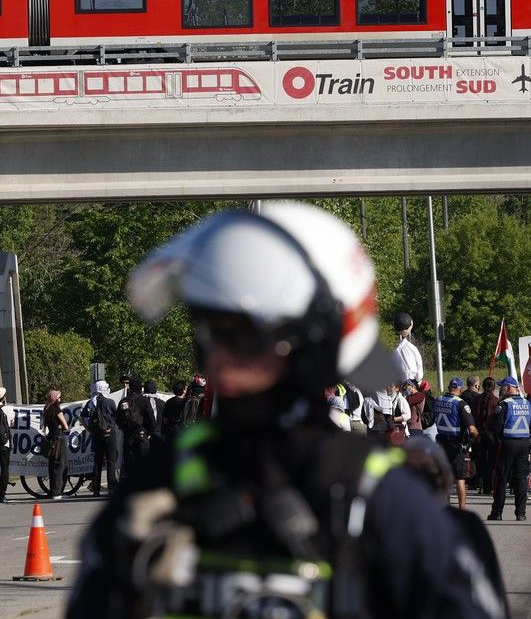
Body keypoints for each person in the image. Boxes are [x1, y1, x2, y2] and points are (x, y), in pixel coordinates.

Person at [68, 204, 507, 619]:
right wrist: (126, 580)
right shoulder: (167, 477)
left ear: (314, 343)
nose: (220, 360)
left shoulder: (377, 497)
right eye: (209, 335)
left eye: (243, 338)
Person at [488, 375, 531, 521]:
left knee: (501, 478)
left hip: (508, 443)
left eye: (502, 386)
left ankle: (497, 512)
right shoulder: (527, 403)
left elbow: (496, 427)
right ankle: (521, 513)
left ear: (508, 388)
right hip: (524, 444)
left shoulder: (504, 405)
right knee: (521, 479)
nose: (500, 389)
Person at [433, 376, 478, 509]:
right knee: (460, 478)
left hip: (441, 441)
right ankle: (462, 510)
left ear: (448, 388)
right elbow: (472, 429)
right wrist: (475, 436)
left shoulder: (438, 400)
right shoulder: (461, 403)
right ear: (460, 389)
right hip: (457, 444)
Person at [82, 380, 119, 496]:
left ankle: (96, 489)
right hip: (109, 434)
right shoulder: (110, 402)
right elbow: (117, 416)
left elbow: (82, 418)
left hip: (96, 435)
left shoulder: (91, 402)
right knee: (111, 462)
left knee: (97, 462)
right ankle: (111, 489)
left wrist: (90, 429)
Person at [116, 376, 155, 477]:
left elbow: (117, 419)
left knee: (129, 465)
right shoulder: (144, 400)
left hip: (128, 436)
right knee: (143, 465)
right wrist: (149, 431)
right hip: (141, 434)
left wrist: (124, 429)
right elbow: (151, 418)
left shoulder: (124, 401)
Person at [473, 376, 500, 495]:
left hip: (479, 434)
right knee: (491, 461)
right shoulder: (496, 401)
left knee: (480, 460)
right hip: (491, 436)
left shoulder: (477, 399)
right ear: (494, 387)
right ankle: (489, 486)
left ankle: (480, 485)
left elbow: (474, 416)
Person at [42, 389, 70, 500]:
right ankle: (57, 493)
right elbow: (65, 426)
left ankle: (53, 491)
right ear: (56, 399)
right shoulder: (56, 409)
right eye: (59, 397)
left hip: (51, 438)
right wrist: (63, 426)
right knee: (60, 466)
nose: (60, 399)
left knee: (52, 466)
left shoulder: (47, 408)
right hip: (59, 439)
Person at [392, 311, 423, 384]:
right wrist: (418, 381)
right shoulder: (412, 348)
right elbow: (419, 365)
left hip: (400, 385)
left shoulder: (395, 350)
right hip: (413, 383)